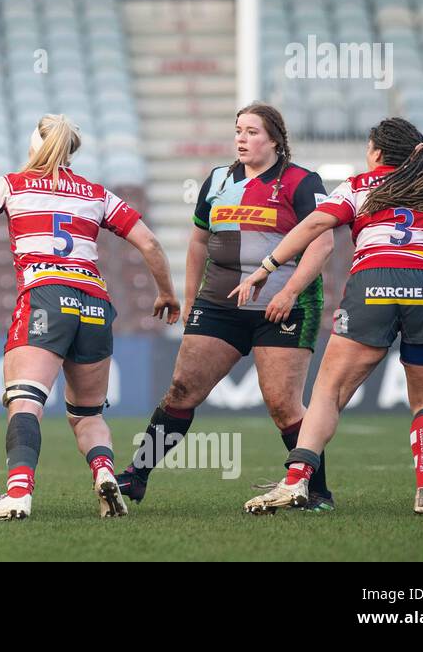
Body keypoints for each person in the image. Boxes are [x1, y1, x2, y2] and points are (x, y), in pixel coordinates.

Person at [0, 114, 179, 520]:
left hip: (46, 295)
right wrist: (168, 293)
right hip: (95, 303)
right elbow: (151, 243)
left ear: (34, 146)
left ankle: (17, 493)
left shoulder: (13, 184)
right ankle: (104, 473)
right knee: (87, 414)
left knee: (25, 401)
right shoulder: (97, 194)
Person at [238, 118, 423, 515]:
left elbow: (318, 222)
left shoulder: (359, 185)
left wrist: (268, 264)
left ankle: (296, 479)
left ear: (377, 152)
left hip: (374, 281)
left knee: (329, 392)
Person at [115, 104, 339, 510]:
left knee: (283, 404)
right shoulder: (218, 180)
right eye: (238, 130)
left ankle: (317, 491)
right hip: (219, 303)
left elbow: (322, 242)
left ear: (274, 139)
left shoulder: (302, 181)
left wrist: (288, 292)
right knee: (182, 390)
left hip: (281, 307)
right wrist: (189, 296)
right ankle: (136, 476)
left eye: (252, 132)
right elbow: (199, 241)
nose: (241, 138)